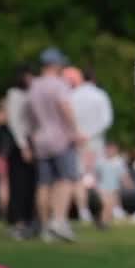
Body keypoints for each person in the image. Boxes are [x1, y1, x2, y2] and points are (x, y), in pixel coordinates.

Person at [26, 47, 85, 242]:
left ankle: (44, 228)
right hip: (60, 137)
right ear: (54, 64)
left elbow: (31, 117)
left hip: (40, 138)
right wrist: (75, 130)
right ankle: (58, 220)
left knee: (44, 184)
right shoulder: (59, 84)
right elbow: (64, 107)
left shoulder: (34, 85)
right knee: (66, 179)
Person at [63, 66, 114, 226]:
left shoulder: (72, 95)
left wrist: (79, 134)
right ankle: (102, 213)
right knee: (97, 178)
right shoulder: (100, 95)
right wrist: (90, 134)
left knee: (79, 177)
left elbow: (67, 118)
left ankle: (83, 211)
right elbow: (106, 120)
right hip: (95, 141)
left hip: (77, 141)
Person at [4, 64, 38, 239]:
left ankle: (29, 219)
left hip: (31, 142)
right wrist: (24, 146)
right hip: (19, 145)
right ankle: (18, 221)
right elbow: (15, 123)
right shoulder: (14, 95)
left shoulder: (30, 94)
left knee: (30, 185)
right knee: (19, 185)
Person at [94, 141, 134, 227]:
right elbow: (96, 175)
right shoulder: (101, 161)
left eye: (113, 150)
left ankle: (105, 222)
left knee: (110, 206)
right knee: (106, 204)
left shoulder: (119, 162)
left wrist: (128, 183)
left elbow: (124, 175)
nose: (110, 151)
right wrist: (96, 186)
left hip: (114, 189)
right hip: (102, 188)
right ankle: (102, 221)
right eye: (109, 149)